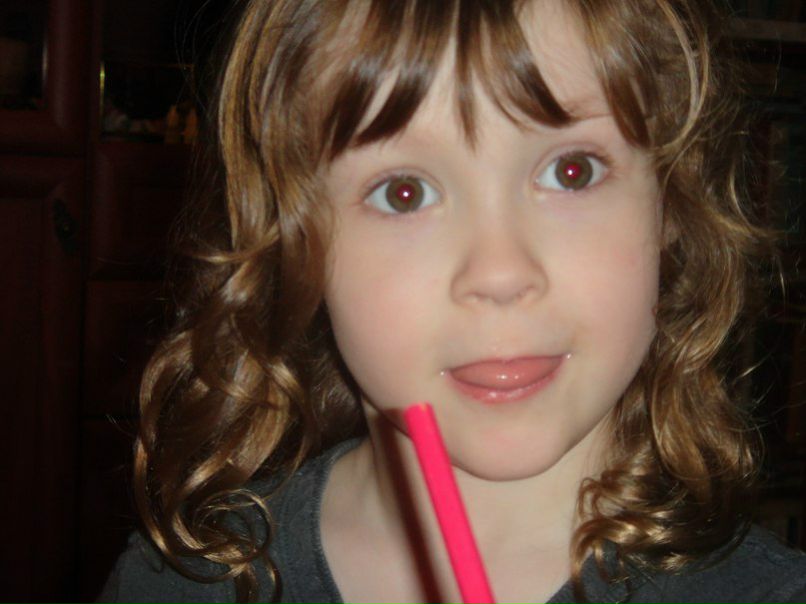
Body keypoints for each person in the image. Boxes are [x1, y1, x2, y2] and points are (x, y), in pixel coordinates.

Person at [97, 0, 806, 602]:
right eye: (403, 192)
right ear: (294, 243)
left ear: (672, 204)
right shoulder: (187, 582)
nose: (499, 273)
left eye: (572, 171)